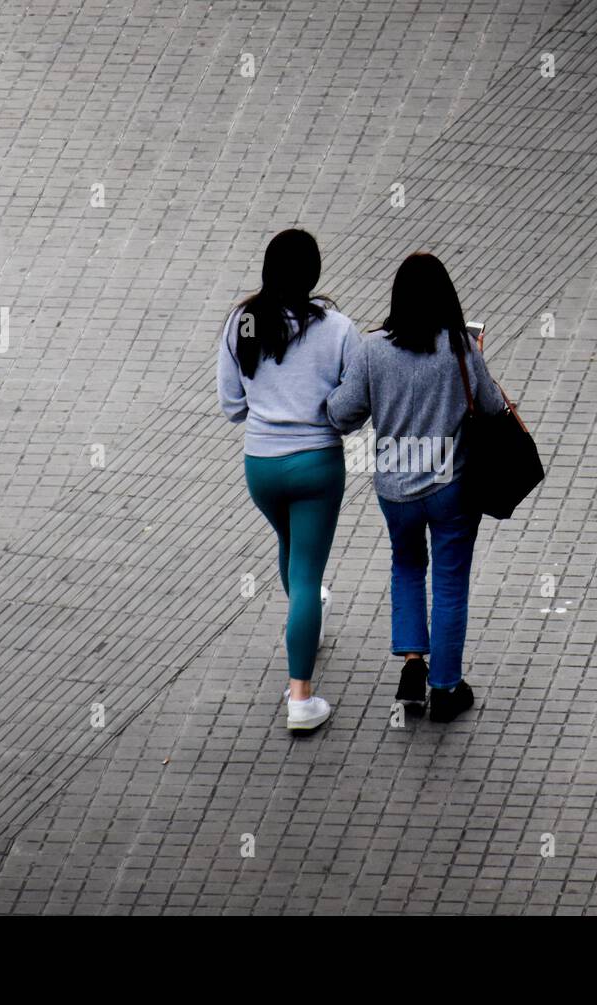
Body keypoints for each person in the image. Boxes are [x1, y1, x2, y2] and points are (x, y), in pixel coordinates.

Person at [327, 253, 503, 723]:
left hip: (395, 491)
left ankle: (411, 663)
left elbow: (343, 414)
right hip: (452, 488)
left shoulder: (372, 350)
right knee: (450, 582)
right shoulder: (461, 349)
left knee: (406, 564)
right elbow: (490, 406)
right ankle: (445, 688)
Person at [217, 229, 360, 732]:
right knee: (306, 575)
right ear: (313, 274)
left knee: (291, 549)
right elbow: (352, 404)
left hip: (261, 466)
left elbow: (232, 405)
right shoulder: (339, 329)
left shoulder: (244, 320)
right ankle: (300, 698)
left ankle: (308, 623)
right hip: (317, 466)